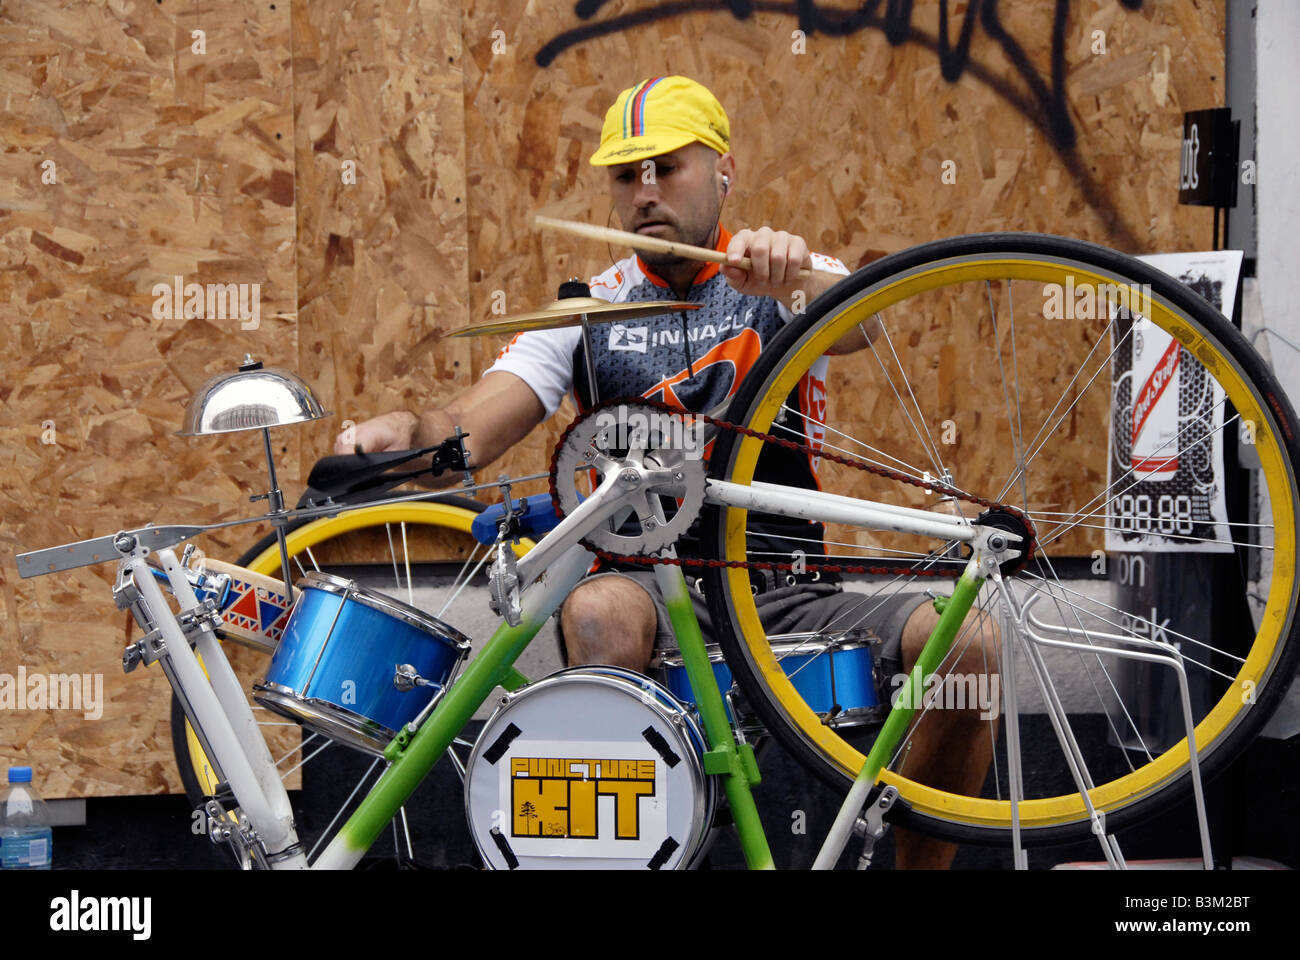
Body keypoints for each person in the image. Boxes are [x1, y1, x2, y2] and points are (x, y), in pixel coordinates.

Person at [338, 76, 995, 868]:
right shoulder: (583, 309)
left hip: (787, 592)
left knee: (970, 646)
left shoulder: (781, 279)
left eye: (667, 167)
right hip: (643, 592)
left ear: (724, 171)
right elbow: (469, 427)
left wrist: (797, 276)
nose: (645, 191)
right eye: (626, 175)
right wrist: (406, 436)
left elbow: (871, 320)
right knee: (600, 615)